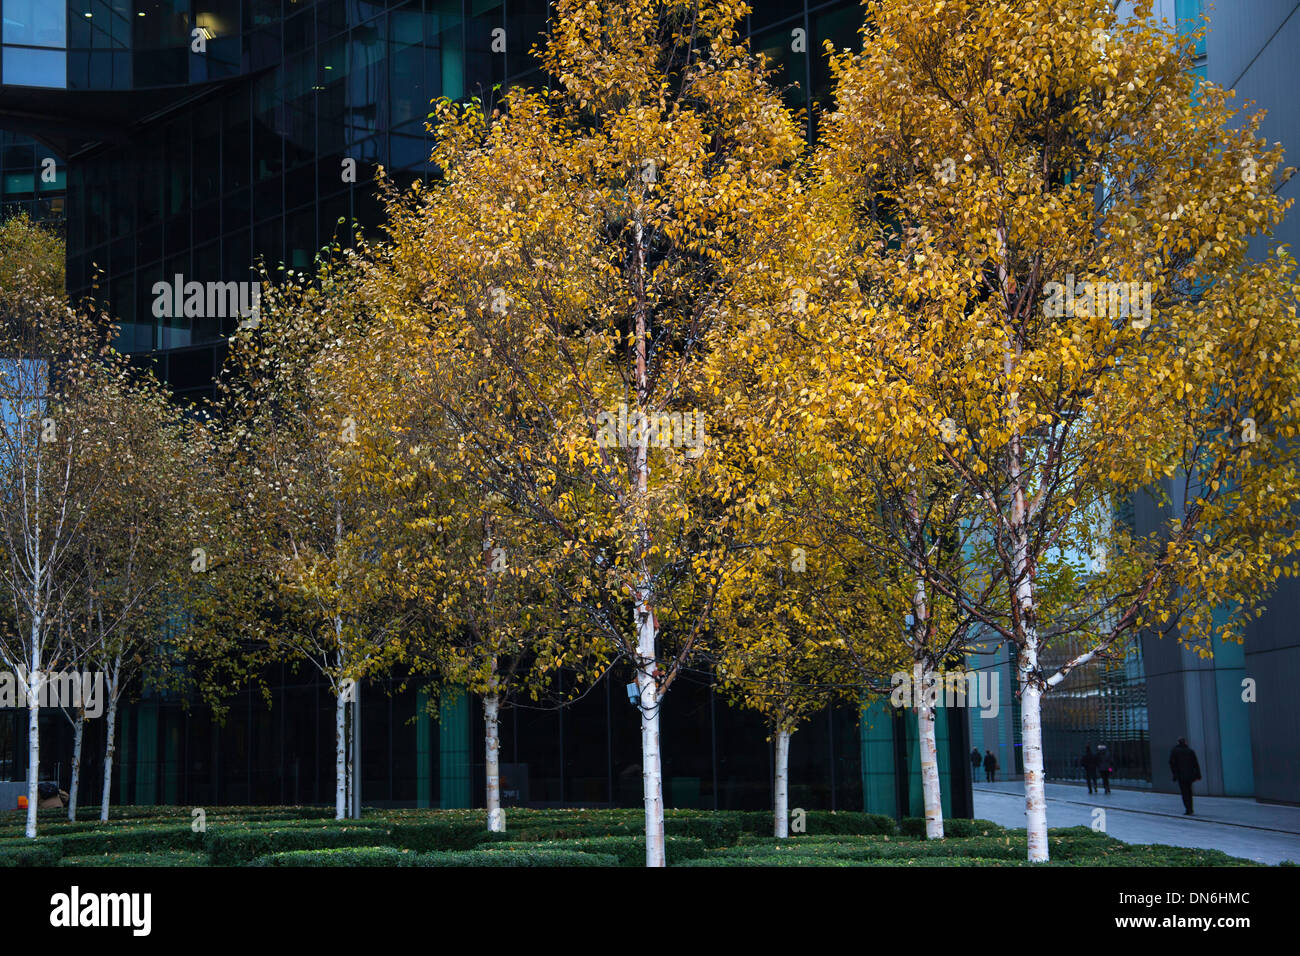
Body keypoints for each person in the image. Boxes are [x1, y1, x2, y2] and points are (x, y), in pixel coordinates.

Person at [1169, 737, 1202, 815]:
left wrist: (1175, 775)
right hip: (1190, 775)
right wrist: (1198, 775)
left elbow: (1172, 764)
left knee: (1184, 792)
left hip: (1181, 776)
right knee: (1189, 791)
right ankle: (1190, 808)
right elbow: (1195, 764)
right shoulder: (1190, 751)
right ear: (1185, 743)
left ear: (1178, 743)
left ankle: (1188, 808)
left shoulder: (1174, 751)